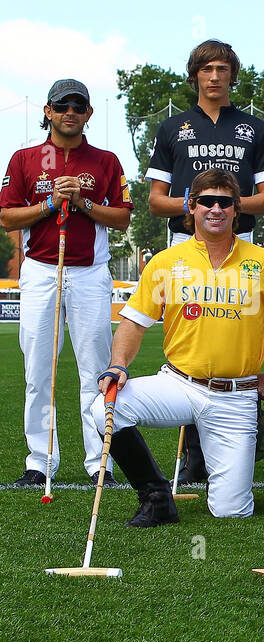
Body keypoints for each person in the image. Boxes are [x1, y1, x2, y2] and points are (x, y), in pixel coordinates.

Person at [93, 169, 264, 526]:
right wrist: (118, 365)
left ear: (238, 210)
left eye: (225, 202)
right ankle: (156, 497)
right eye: (206, 201)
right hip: (180, 383)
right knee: (106, 408)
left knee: (230, 510)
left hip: (236, 395)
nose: (215, 209)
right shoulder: (166, 262)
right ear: (191, 207)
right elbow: (133, 322)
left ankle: (243, 442)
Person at [146, 39, 264, 485]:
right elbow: (155, 201)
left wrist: (222, 205)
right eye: (207, 69)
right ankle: (192, 455)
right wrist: (198, 207)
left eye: (223, 69)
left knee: (230, 338)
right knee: (192, 343)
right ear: (195, 75)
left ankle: (237, 429)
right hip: (186, 247)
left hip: (239, 249)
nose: (215, 76)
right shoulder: (173, 129)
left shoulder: (253, 129)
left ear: (232, 76)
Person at [1, 78, 132, 486]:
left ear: (88, 114)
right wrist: (48, 205)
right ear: (48, 111)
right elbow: (6, 216)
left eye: (78, 106)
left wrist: (82, 202)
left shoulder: (106, 161)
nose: (70, 112)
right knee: (39, 371)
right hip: (41, 270)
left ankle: (99, 463)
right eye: (62, 106)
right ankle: (39, 461)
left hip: (90, 272)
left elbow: (123, 216)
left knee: (95, 369)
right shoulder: (24, 159)